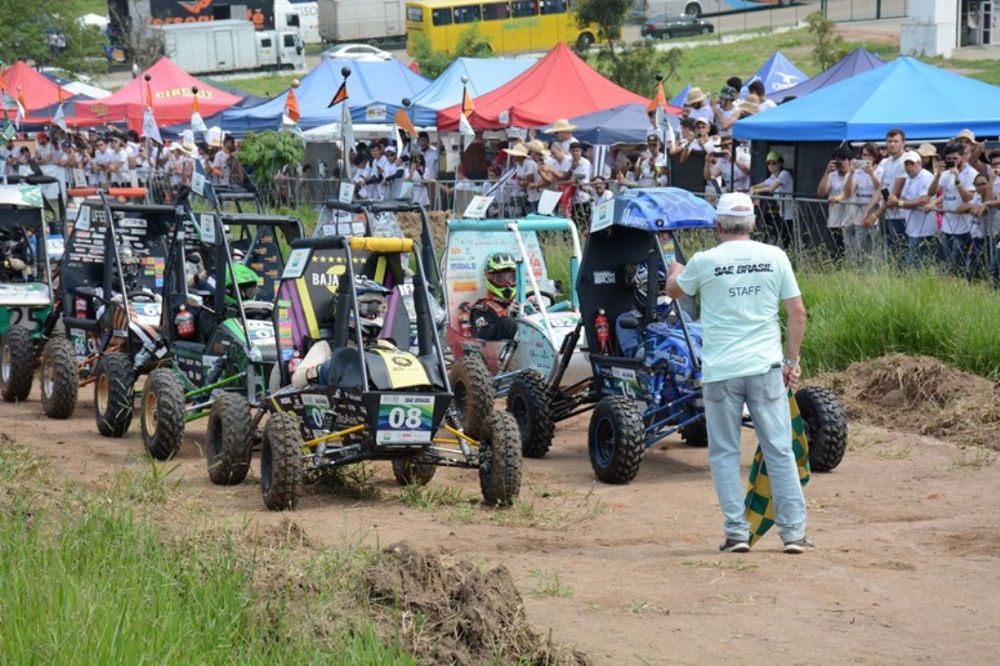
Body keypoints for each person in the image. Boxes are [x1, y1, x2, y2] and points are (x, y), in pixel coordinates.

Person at [666, 191, 810, 554]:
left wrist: (675, 270)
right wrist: (791, 361)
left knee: (725, 453)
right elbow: (797, 312)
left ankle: (736, 534)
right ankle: (793, 535)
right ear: (753, 224)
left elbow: (672, 291)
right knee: (779, 449)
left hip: (721, 371)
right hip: (765, 367)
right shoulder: (775, 256)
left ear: (718, 226)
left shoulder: (704, 260)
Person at [292, 280, 391, 388]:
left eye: (379, 308)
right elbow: (296, 380)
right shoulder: (326, 347)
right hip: (338, 401)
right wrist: (324, 370)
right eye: (368, 308)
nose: (373, 315)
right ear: (346, 308)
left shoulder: (384, 346)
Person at [928, 141, 977, 275]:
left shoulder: (971, 173)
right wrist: (937, 175)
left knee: (956, 266)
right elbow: (931, 193)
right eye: (949, 159)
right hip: (947, 226)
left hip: (963, 228)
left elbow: (968, 198)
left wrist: (957, 178)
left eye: (955, 159)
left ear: (962, 156)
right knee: (944, 264)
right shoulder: (945, 174)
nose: (952, 162)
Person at [470, 252, 520, 340]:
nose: (507, 284)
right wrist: (509, 317)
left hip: (534, 348)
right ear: (490, 279)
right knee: (509, 322)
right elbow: (484, 335)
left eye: (511, 278)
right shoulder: (481, 309)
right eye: (501, 278)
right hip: (499, 351)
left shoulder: (522, 303)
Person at [749, 151, 794, 248]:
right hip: (783, 210)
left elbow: (770, 188)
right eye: (769, 163)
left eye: (774, 163)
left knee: (787, 237)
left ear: (781, 163)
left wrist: (756, 191)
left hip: (791, 211)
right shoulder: (773, 176)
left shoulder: (784, 174)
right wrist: (753, 187)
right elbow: (763, 184)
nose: (771, 166)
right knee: (781, 235)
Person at [817, 146, 855, 259]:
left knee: (851, 249)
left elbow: (848, 192)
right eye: (837, 160)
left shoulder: (854, 174)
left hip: (850, 218)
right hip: (835, 219)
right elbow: (821, 192)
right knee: (838, 249)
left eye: (843, 160)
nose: (841, 163)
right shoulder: (832, 175)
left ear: (849, 161)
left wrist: (838, 198)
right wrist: (827, 172)